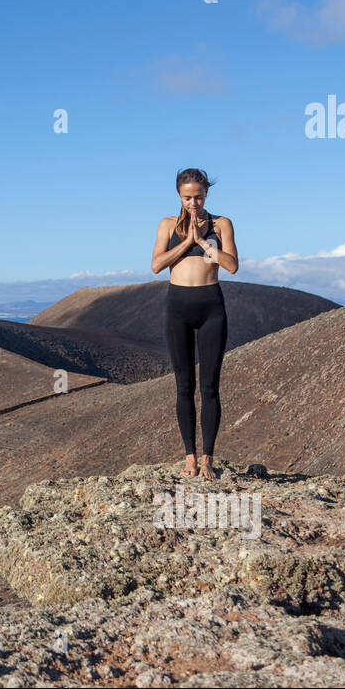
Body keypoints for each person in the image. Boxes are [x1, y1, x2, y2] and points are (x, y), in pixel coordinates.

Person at [150, 168, 239, 480]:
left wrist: (203, 241)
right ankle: (189, 458)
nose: (193, 203)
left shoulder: (221, 224)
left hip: (211, 306)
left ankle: (207, 460)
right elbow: (157, 265)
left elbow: (232, 265)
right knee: (184, 386)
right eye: (187, 197)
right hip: (178, 307)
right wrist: (187, 240)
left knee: (210, 387)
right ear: (178, 195)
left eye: (198, 197)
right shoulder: (166, 225)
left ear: (206, 194)